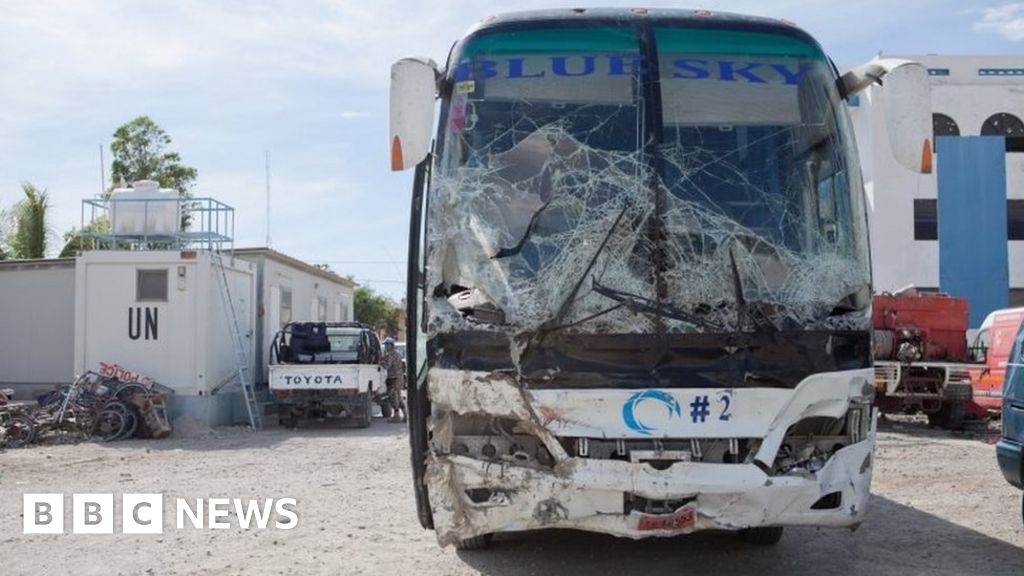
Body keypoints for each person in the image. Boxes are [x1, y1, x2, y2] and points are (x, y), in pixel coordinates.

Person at [381, 337, 405, 422]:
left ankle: (396, 415)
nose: (386, 347)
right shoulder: (397, 353)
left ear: (390, 346)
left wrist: (381, 361)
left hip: (394, 378)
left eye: (387, 345)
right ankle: (405, 414)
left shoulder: (390, 355)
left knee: (393, 397)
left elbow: (387, 366)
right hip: (399, 377)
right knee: (398, 396)